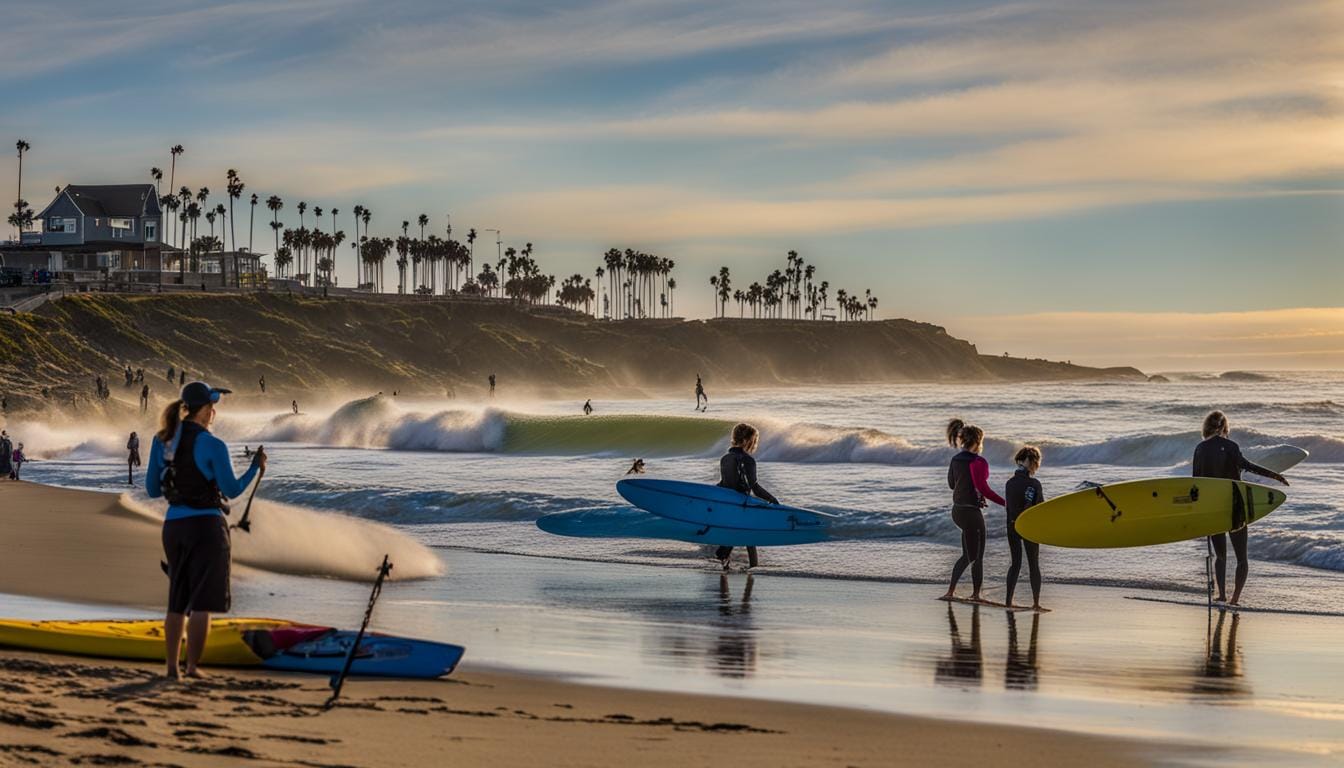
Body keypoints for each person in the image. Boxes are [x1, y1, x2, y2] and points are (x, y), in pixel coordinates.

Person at [146, 382, 265, 680]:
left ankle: (172, 668)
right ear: (206, 410)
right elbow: (232, 489)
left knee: (177, 600)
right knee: (201, 604)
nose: (214, 411)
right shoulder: (213, 444)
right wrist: (255, 468)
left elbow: (151, 489)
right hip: (206, 528)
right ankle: (192, 667)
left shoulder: (161, 441)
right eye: (213, 406)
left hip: (173, 527)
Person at [1194, 410, 1288, 606]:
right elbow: (1248, 466)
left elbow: (1196, 483)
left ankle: (1221, 595)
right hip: (1234, 507)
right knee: (1241, 558)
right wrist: (1275, 475)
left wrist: (1197, 512)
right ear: (1223, 427)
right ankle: (1235, 599)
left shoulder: (1200, 449)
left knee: (1220, 556)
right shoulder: (1231, 446)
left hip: (1213, 509)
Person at [942, 418, 1006, 603]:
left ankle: (951, 591)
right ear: (978, 442)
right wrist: (1006, 503)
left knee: (968, 554)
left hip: (958, 512)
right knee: (976, 557)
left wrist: (974, 493)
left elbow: (952, 485)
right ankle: (976, 595)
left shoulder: (955, 459)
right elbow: (984, 488)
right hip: (971, 513)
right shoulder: (978, 461)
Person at [715, 423, 778, 570]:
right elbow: (754, 487)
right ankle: (754, 568)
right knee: (750, 537)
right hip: (742, 504)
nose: (755, 444)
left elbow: (724, 483)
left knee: (736, 533)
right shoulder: (748, 460)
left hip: (727, 504)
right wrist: (773, 501)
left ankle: (725, 561)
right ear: (746, 441)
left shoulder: (725, 458)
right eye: (754, 441)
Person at [1004, 446, 1046, 611]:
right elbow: (1040, 509)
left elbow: (1009, 508)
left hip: (1012, 525)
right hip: (1029, 527)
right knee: (1033, 565)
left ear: (1018, 461)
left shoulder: (1009, 483)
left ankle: (1008, 601)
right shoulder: (1034, 484)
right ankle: (1035, 603)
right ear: (1034, 463)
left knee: (1015, 564)